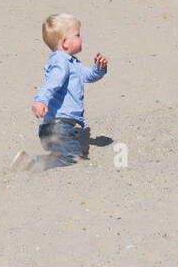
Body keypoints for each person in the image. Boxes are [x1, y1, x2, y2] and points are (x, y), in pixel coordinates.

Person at [12, 13, 109, 171]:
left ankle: (36, 161)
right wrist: (40, 100)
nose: (81, 38)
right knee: (71, 158)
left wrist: (99, 68)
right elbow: (53, 82)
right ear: (65, 42)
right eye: (77, 35)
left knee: (64, 154)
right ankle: (32, 163)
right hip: (60, 126)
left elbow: (89, 76)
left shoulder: (72, 62)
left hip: (52, 125)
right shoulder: (61, 62)